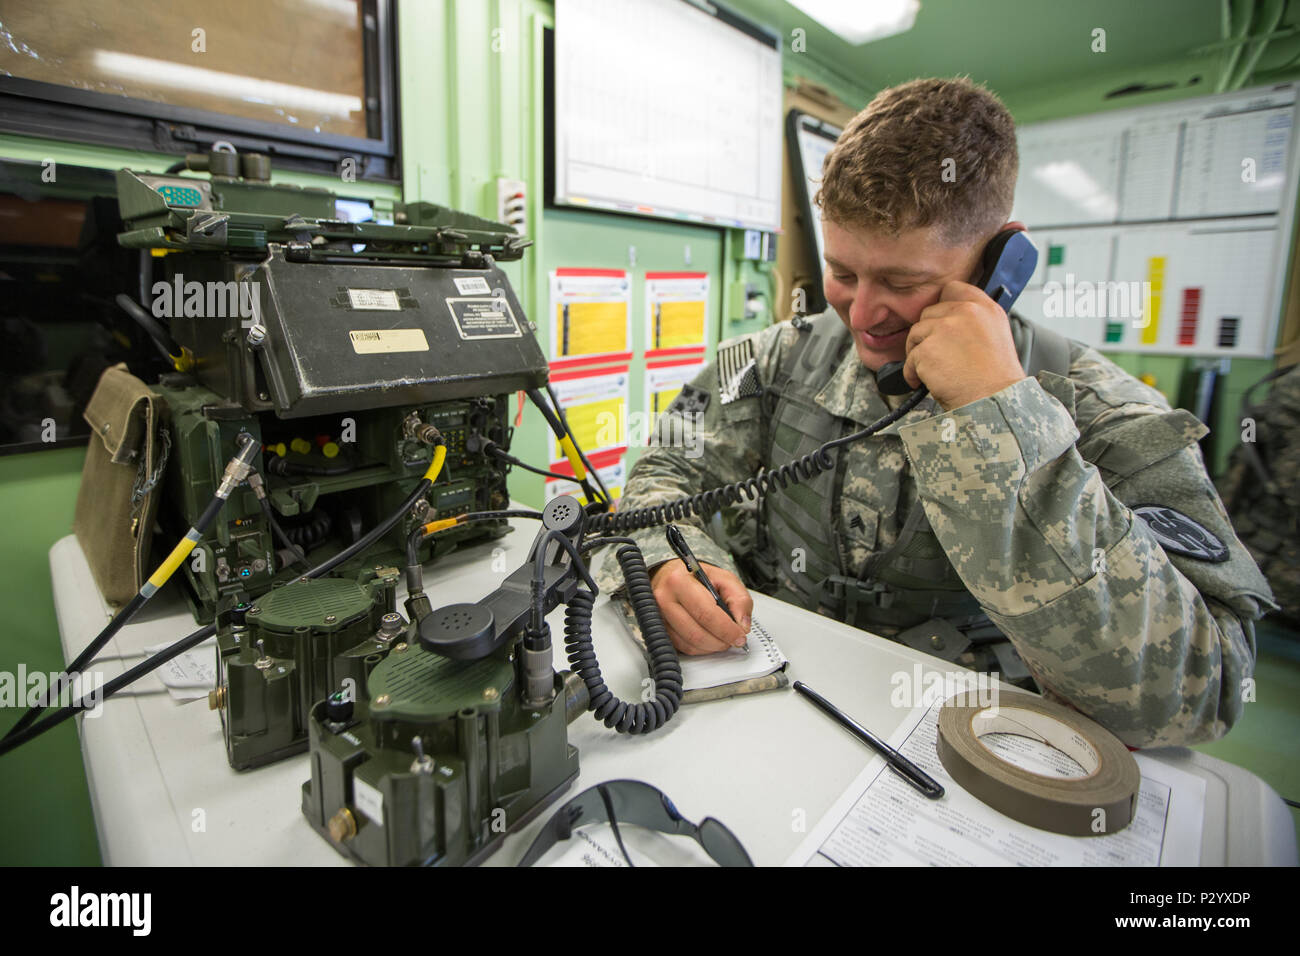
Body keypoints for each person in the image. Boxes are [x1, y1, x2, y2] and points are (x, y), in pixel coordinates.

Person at [614, 77, 1274, 748]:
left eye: (903, 283)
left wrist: (1001, 419)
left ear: (999, 261)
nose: (863, 315)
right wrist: (671, 565)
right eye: (843, 272)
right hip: (775, 710)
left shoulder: (1104, 411)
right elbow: (662, 469)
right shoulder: (769, 360)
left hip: (972, 747)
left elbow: (1204, 686)